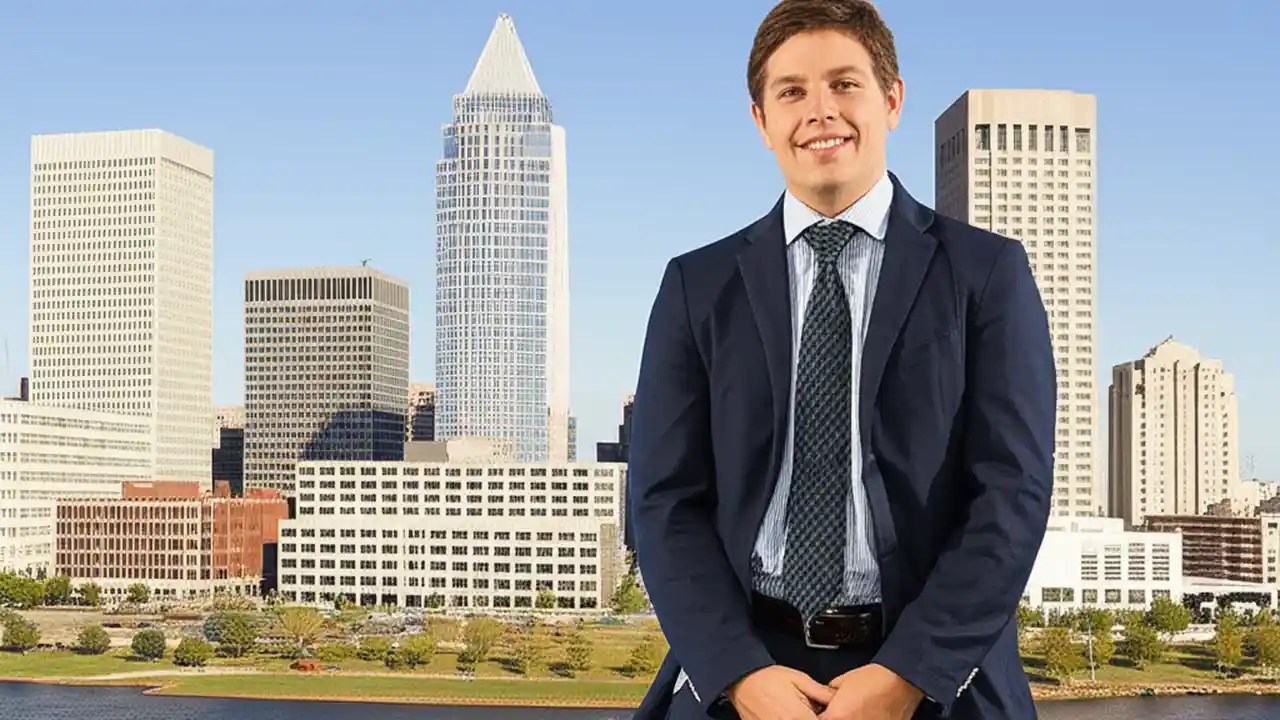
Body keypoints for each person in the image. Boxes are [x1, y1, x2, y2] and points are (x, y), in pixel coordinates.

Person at [626, 1, 1057, 718]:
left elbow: (1013, 495)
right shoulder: (696, 287)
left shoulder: (986, 274)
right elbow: (663, 502)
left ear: (892, 100)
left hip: (929, 677)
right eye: (791, 91)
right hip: (745, 672)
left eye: (844, 84)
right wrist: (739, 674)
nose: (819, 111)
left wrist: (907, 675)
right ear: (762, 121)